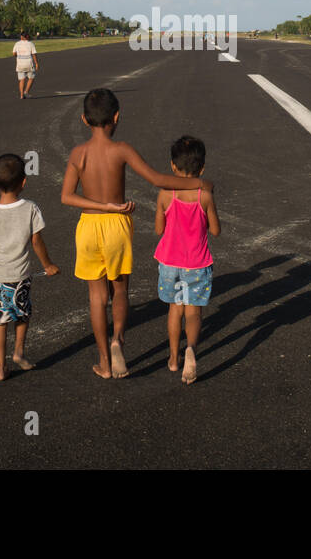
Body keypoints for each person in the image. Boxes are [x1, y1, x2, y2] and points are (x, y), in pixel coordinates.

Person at [61, 88, 213, 380]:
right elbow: (157, 179)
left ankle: (105, 361)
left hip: (89, 226)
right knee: (119, 289)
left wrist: (99, 206)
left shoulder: (78, 154)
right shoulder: (122, 150)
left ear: (83, 119)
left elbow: (67, 196)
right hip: (117, 224)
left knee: (96, 296)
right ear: (116, 117)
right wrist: (198, 183)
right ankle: (118, 337)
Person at [0, 153, 59, 381]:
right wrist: (48, 264)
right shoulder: (30, 208)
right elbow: (36, 241)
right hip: (20, 276)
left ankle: (0, 367)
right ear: (24, 182)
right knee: (22, 314)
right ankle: (18, 352)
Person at [153, 136, 220, 385]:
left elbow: (159, 229)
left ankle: (172, 358)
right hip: (197, 263)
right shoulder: (204, 196)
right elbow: (215, 230)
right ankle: (191, 348)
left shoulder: (165, 194)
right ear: (201, 169)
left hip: (170, 262)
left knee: (175, 309)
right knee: (193, 312)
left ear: (173, 166)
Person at [12, 31, 38, 99]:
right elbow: (34, 54)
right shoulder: (31, 44)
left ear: (21, 36)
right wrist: (36, 63)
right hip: (29, 63)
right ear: (27, 36)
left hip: (20, 64)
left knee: (22, 79)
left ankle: (21, 95)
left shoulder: (17, 44)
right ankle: (26, 91)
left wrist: (19, 55)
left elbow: (14, 53)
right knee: (31, 78)